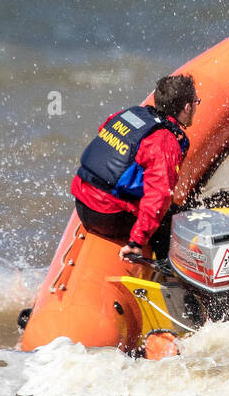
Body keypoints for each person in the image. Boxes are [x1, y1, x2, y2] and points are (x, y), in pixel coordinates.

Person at [70, 74, 198, 263]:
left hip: (82, 204)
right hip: (107, 217)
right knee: (175, 218)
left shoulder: (130, 114)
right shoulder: (165, 141)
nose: (196, 107)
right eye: (196, 102)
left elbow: (104, 135)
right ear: (187, 107)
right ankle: (172, 279)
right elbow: (159, 196)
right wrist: (136, 242)